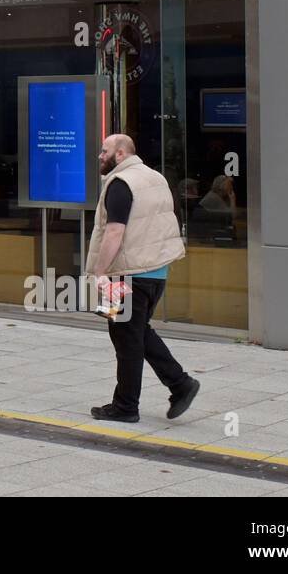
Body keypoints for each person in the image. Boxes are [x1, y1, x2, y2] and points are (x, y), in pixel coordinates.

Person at [85, 133, 200, 423]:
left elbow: (114, 232)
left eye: (105, 151)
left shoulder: (120, 184)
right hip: (156, 272)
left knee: (125, 339)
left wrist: (99, 272)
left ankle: (126, 407)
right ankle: (180, 384)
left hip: (127, 275)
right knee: (136, 333)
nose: (100, 156)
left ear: (121, 154)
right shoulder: (155, 177)